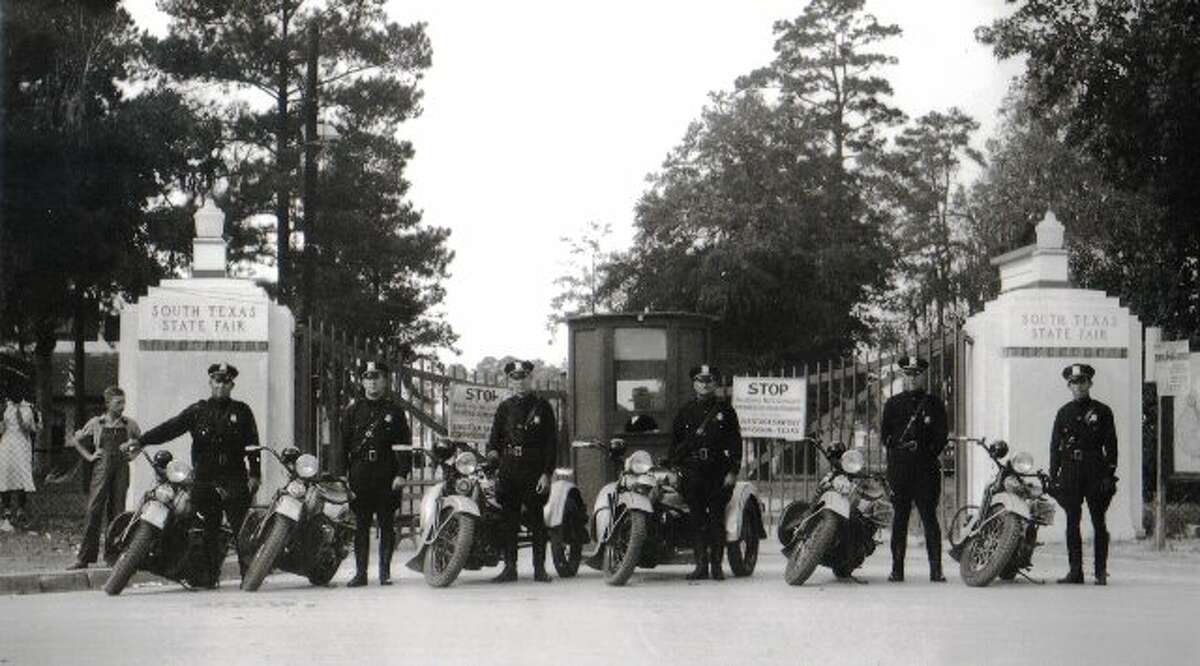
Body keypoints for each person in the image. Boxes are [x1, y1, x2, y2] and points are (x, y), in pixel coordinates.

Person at [121, 363, 261, 586]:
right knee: (207, 529)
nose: (221, 385)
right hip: (205, 478)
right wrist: (142, 440)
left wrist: (255, 474)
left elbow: (253, 444)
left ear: (232, 385)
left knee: (240, 528)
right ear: (210, 382)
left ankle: (249, 577)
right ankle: (208, 577)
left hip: (234, 477)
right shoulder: (198, 411)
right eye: (217, 380)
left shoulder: (242, 411)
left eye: (226, 381)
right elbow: (171, 427)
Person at [667, 364, 742, 581]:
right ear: (694, 384)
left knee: (716, 518)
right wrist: (674, 468)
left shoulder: (726, 411)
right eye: (701, 380)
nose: (705, 385)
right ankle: (700, 565)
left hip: (718, 471)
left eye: (709, 381)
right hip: (693, 472)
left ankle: (717, 566)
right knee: (697, 518)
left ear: (715, 384)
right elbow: (675, 444)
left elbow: (735, 442)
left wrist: (733, 471)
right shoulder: (685, 412)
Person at [486, 360, 557, 583]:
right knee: (509, 520)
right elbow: (494, 440)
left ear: (530, 379)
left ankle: (539, 569)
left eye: (523, 377)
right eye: (514, 378)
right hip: (509, 469)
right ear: (509, 382)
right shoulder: (504, 408)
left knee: (536, 519)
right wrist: (493, 456)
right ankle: (510, 568)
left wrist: (547, 473)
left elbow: (552, 443)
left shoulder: (542, 407)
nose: (519, 382)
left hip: (533, 469)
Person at [342, 359, 412, 587]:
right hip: (360, 474)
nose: (372, 383)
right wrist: (342, 476)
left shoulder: (395, 411)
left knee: (386, 524)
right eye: (368, 378)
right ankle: (360, 573)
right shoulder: (352, 411)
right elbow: (342, 446)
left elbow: (404, 447)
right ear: (362, 382)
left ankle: (385, 573)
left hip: (386, 474)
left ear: (385, 381)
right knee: (361, 526)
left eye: (377, 378)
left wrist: (402, 474)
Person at [881, 355, 948, 583]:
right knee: (900, 519)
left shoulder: (934, 403)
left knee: (930, 519)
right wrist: (899, 450)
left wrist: (925, 451)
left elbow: (941, 436)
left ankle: (936, 571)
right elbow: (885, 436)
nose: (912, 378)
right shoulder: (892, 404)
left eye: (916, 374)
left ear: (923, 376)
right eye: (907, 374)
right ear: (902, 376)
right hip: (900, 470)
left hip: (926, 470)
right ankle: (896, 570)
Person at [1050, 363, 1117, 586]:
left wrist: (1109, 473)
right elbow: (1055, 446)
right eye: (1074, 383)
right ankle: (1075, 571)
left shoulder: (1102, 411)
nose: (1078, 387)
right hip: (1070, 471)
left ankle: (1100, 571)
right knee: (1072, 521)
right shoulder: (1063, 413)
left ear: (1090, 384)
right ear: (1068, 386)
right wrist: (1053, 475)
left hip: (1095, 470)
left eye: (1082, 382)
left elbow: (1111, 445)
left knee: (1099, 522)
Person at [67, 386, 142, 570]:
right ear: (108, 404)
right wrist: (90, 456)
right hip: (101, 469)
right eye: (118, 403)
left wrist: (132, 455)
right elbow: (76, 440)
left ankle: (113, 557)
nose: (122, 406)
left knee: (117, 512)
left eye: (123, 402)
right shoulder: (96, 423)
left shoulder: (129, 424)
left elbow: (140, 442)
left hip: (121, 470)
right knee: (94, 510)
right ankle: (84, 558)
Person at [0, 390, 40, 531]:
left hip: (21, 443)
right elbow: (2, 428)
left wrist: (19, 414)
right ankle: (6, 510)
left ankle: (21, 510)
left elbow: (27, 428)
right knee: (6, 474)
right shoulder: (6, 407)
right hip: (7, 444)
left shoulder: (27, 409)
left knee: (21, 474)